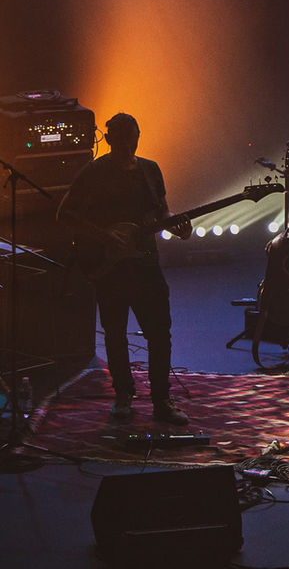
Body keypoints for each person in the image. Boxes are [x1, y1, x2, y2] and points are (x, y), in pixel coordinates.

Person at [58, 112, 192, 424]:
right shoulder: (95, 171)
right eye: (122, 140)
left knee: (160, 332)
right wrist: (105, 236)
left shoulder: (150, 169)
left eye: (133, 139)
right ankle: (123, 394)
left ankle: (161, 399)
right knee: (115, 332)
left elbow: (162, 210)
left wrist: (176, 226)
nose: (129, 146)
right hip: (111, 267)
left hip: (146, 263)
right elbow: (65, 214)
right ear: (109, 140)